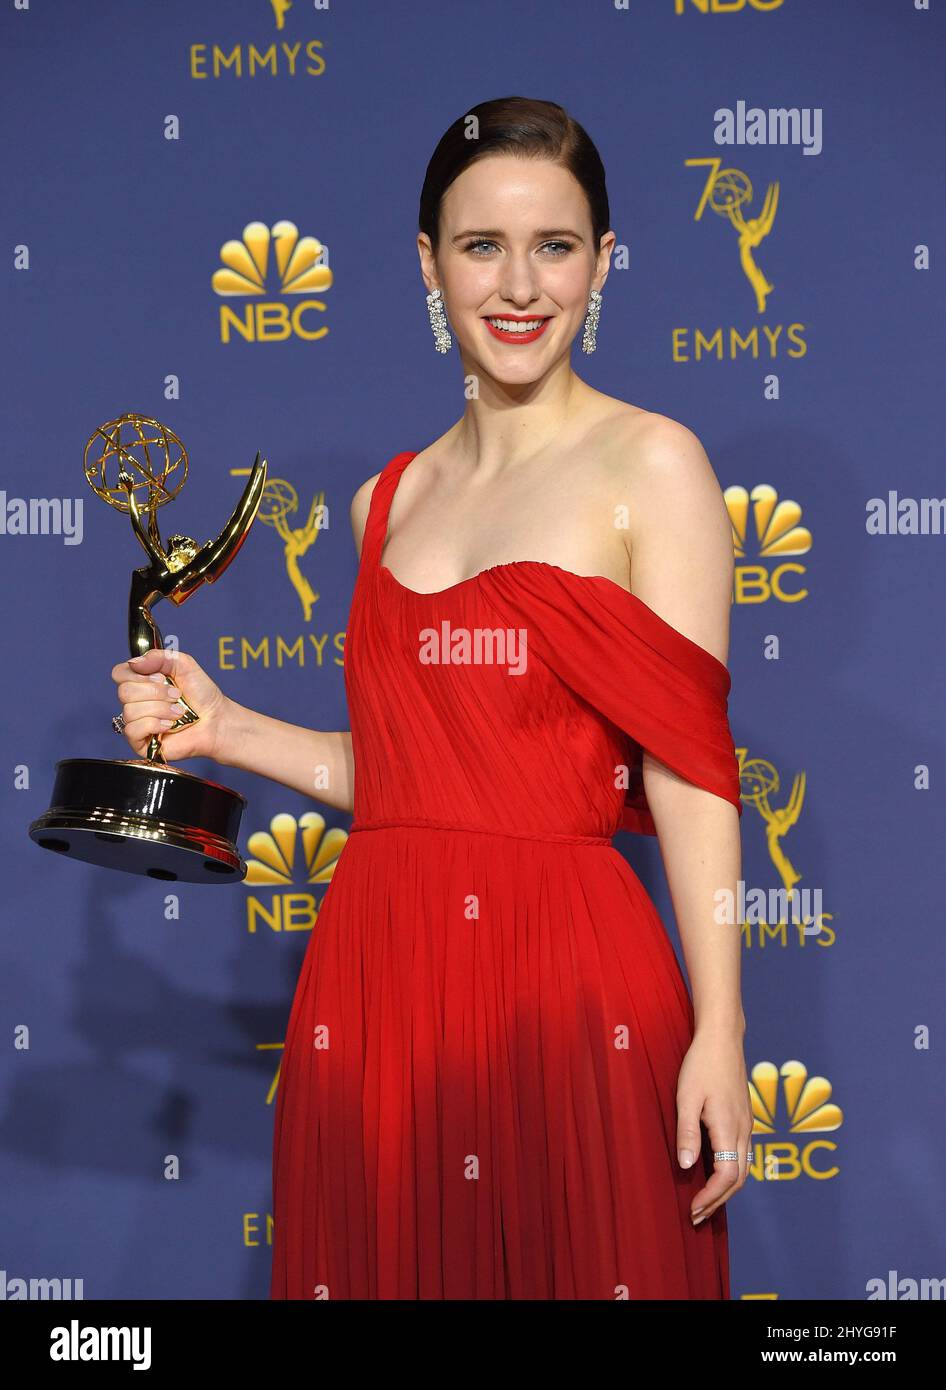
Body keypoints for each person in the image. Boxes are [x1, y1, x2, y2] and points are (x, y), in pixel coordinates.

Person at [111, 96, 751, 1300]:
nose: (519, 286)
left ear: (603, 260)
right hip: (380, 976)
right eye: (481, 245)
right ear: (427, 262)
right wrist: (228, 729)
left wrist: (721, 1028)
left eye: (555, 246)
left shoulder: (651, 464)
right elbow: (418, 776)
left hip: (569, 985)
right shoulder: (384, 502)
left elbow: (690, 772)